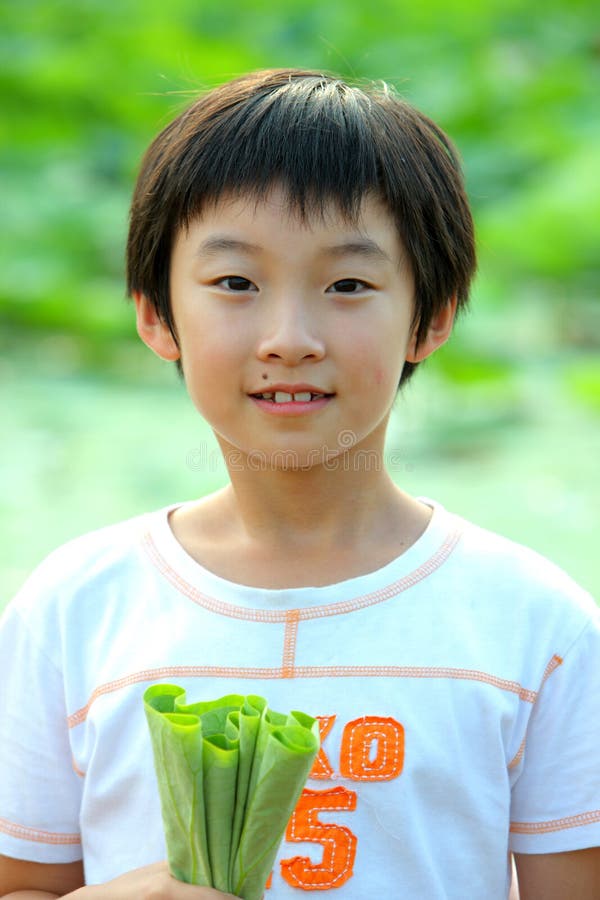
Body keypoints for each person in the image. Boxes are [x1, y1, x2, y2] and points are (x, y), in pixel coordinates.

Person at [0, 68, 598, 900]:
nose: (289, 338)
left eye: (348, 285)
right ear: (156, 315)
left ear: (431, 317)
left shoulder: (535, 625)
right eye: (235, 283)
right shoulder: (75, 608)